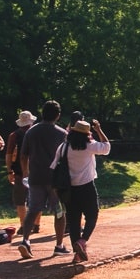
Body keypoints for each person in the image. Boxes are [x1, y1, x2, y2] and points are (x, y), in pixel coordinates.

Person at [16, 100, 70, 259]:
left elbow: (23, 155)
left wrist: (26, 173)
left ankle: (25, 240)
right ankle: (59, 245)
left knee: (33, 210)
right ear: (58, 115)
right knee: (59, 212)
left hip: (35, 176)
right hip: (55, 179)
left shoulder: (31, 132)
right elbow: (67, 157)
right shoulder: (62, 134)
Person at [59, 118, 110, 264]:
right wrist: (99, 130)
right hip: (87, 186)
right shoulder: (89, 146)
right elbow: (107, 147)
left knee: (74, 220)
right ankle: (82, 241)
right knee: (92, 215)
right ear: (87, 133)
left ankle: (78, 254)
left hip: (69, 188)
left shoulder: (64, 146)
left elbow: (54, 164)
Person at [5, 110, 38, 231]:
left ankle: (24, 225)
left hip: (19, 171)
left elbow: (9, 154)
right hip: (36, 170)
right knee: (37, 198)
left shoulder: (14, 135)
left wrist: (9, 170)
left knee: (20, 199)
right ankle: (36, 224)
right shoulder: (36, 133)